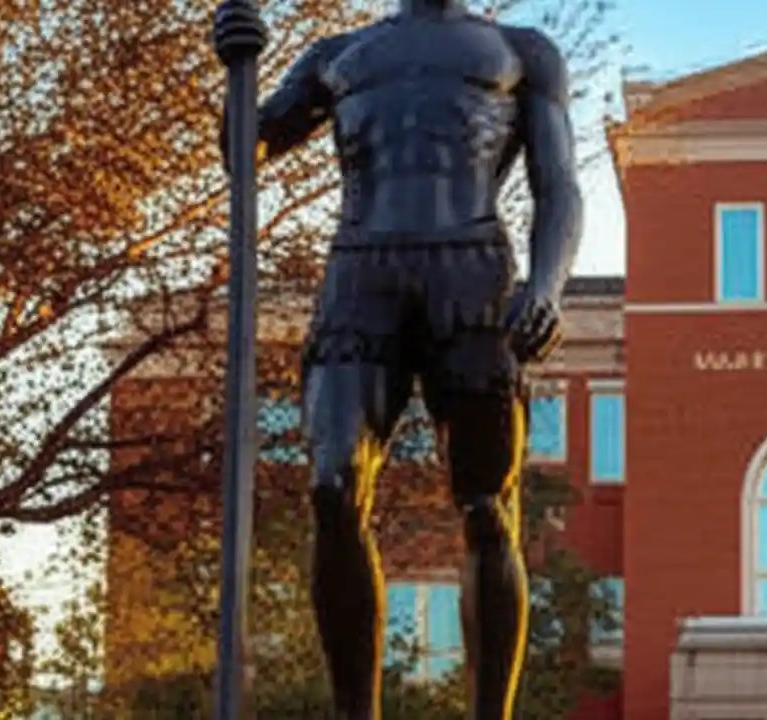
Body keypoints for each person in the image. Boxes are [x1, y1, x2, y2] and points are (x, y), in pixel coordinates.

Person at [215, 0, 583, 717]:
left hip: (471, 273)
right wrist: (236, 66)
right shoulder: (338, 55)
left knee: (485, 506)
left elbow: (558, 182)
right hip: (362, 274)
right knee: (331, 485)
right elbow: (246, 151)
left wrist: (547, 284)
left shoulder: (520, 50)